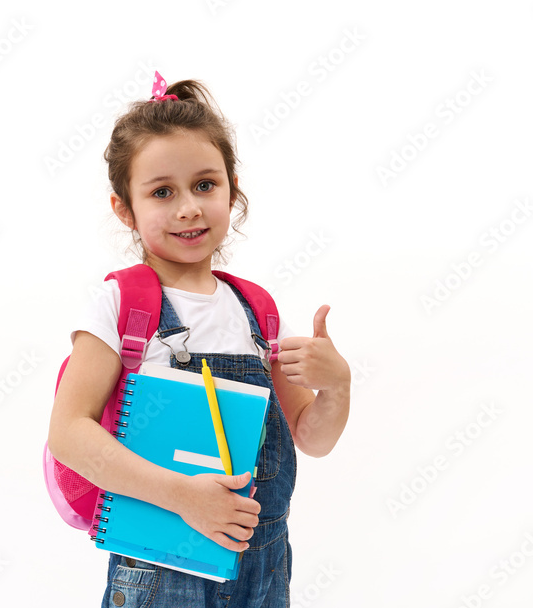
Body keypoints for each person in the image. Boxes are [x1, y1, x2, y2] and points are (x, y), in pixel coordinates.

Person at [47, 73, 351, 607]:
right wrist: (182, 496)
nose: (188, 207)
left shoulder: (256, 310)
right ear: (125, 208)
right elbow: (68, 434)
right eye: (162, 192)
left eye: (205, 185)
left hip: (261, 566)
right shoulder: (120, 304)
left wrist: (337, 386)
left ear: (232, 189)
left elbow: (312, 437)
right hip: (162, 568)